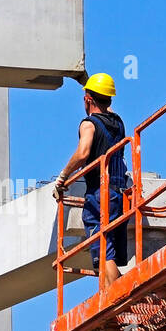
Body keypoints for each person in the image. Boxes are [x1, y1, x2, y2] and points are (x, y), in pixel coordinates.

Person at [52, 73, 130, 286]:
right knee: (108, 250)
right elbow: (103, 102)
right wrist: (87, 82)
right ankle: (111, 294)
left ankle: (118, 298)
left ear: (88, 99)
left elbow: (83, 152)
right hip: (120, 194)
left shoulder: (89, 124)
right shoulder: (118, 122)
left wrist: (63, 178)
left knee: (104, 251)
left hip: (100, 194)